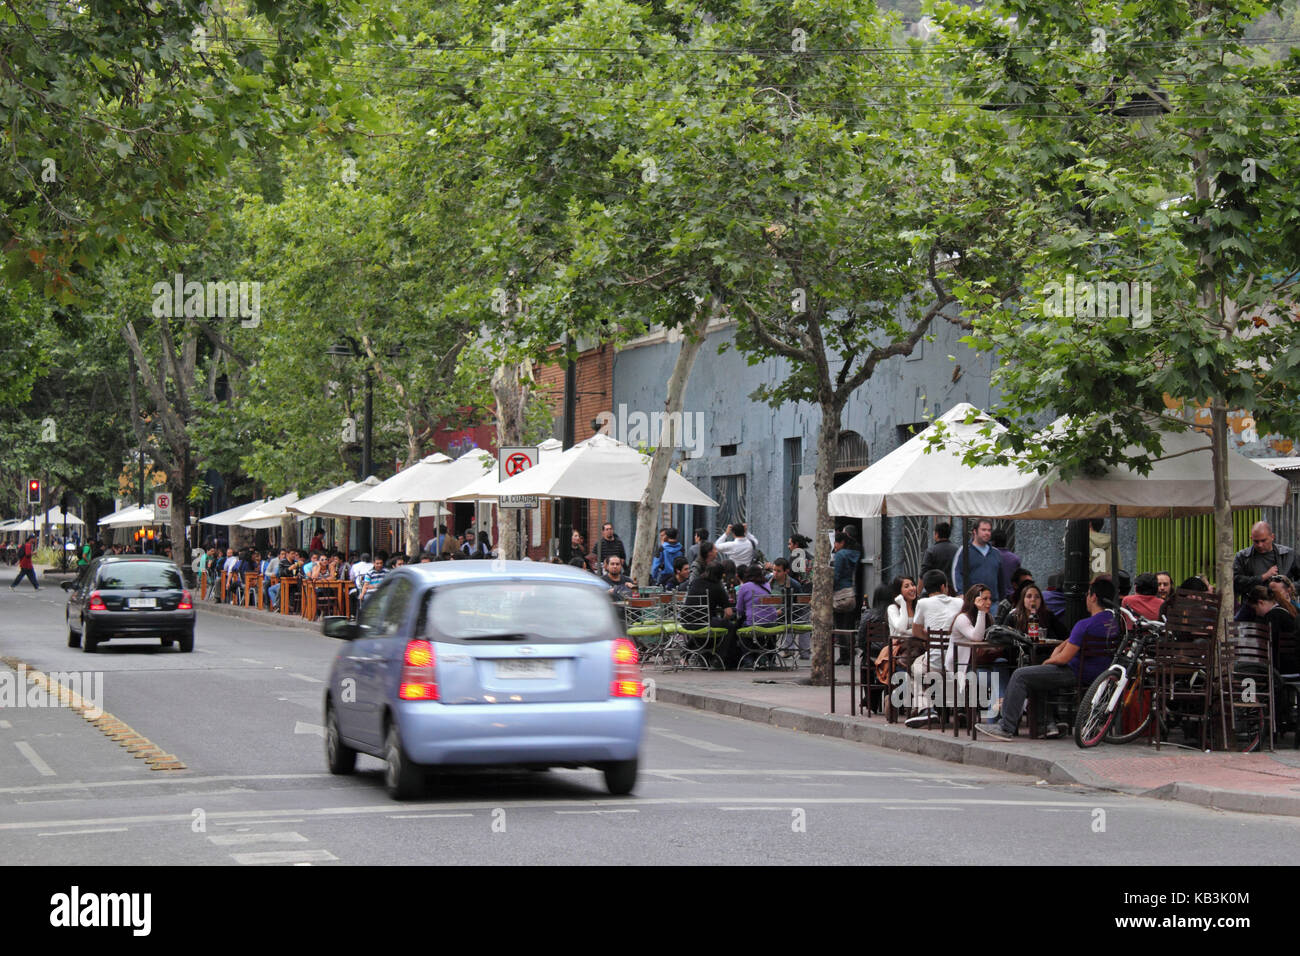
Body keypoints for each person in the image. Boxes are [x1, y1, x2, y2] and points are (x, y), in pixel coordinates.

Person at [979, 577, 1119, 740]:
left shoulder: (1084, 624)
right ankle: (1045, 724)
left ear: (1093, 597)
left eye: (1088, 594)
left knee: (1021, 675)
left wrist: (1048, 662)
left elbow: (1063, 658)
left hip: (1076, 673)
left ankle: (1005, 727)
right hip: (1100, 674)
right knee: (1037, 676)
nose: (1086, 598)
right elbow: (1067, 643)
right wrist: (1056, 653)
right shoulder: (1114, 622)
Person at [905, 570, 964, 726]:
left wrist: (930, 638)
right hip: (958, 662)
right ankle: (960, 708)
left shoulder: (923, 603)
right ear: (944, 586)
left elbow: (916, 631)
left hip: (935, 664)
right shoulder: (959, 602)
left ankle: (926, 709)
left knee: (915, 668)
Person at [1233, 521, 1300, 598]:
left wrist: (1288, 589)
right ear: (1251, 538)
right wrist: (1263, 577)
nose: (1260, 545)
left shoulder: (1288, 555)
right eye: (1256, 541)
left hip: (1282, 606)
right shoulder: (1242, 557)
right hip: (1253, 605)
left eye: (1263, 540)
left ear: (1272, 537)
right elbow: (1236, 582)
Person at [951, 518, 1007, 597]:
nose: (987, 533)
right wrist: (960, 593)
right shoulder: (964, 550)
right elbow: (956, 573)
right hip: (972, 601)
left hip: (992, 601)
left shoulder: (995, 553)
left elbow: (1001, 579)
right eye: (983, 530)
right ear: (975, 531)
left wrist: (1002, 597)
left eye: (989, 530)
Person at [991, 528, 1022, 600]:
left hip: (994, 596)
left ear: (993, 542)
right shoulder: (1015, 559)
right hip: (1011, 597)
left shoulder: (990, 558)